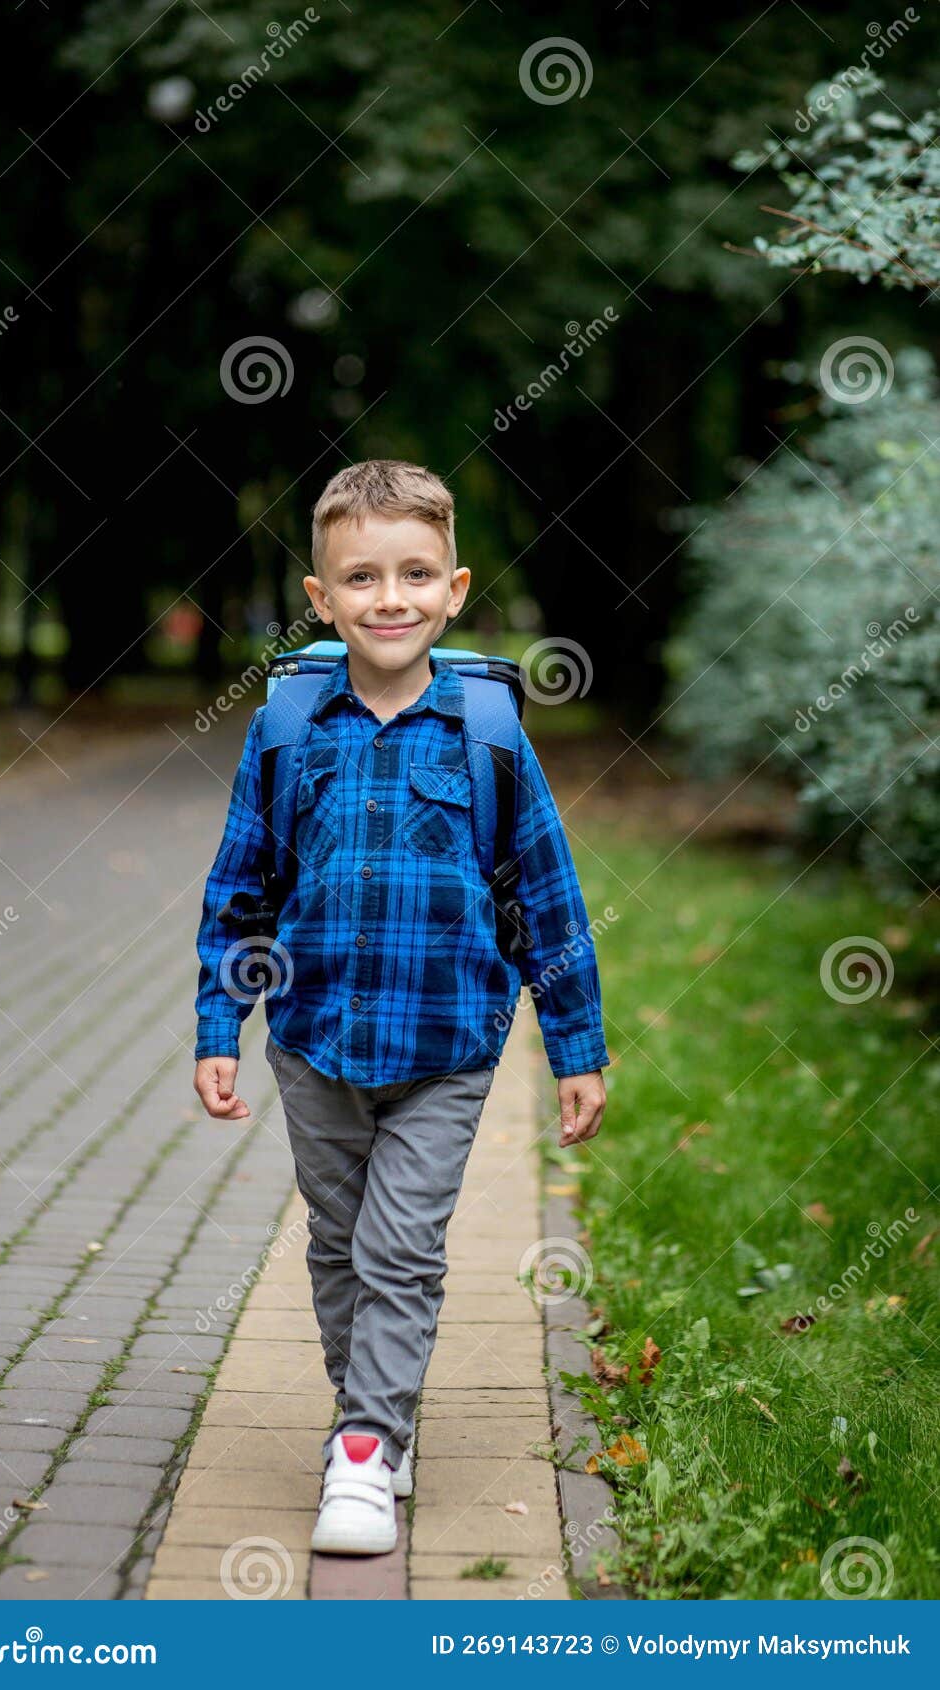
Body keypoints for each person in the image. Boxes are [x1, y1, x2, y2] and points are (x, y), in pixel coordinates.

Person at [193, 459, 609, 1555]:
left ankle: (363, 1451)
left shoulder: (488, 733)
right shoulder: (287, 729)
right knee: (338, 1244)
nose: (391, 598)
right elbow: (241, 890)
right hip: (313, 1041)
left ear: (455, 588)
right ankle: (374, 1413)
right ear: (321, 597)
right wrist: (217, 1029)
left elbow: (546, 897)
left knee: (401, 1250)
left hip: (446, 1046)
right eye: (362, 577)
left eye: (416, 574)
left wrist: (575, 1045)